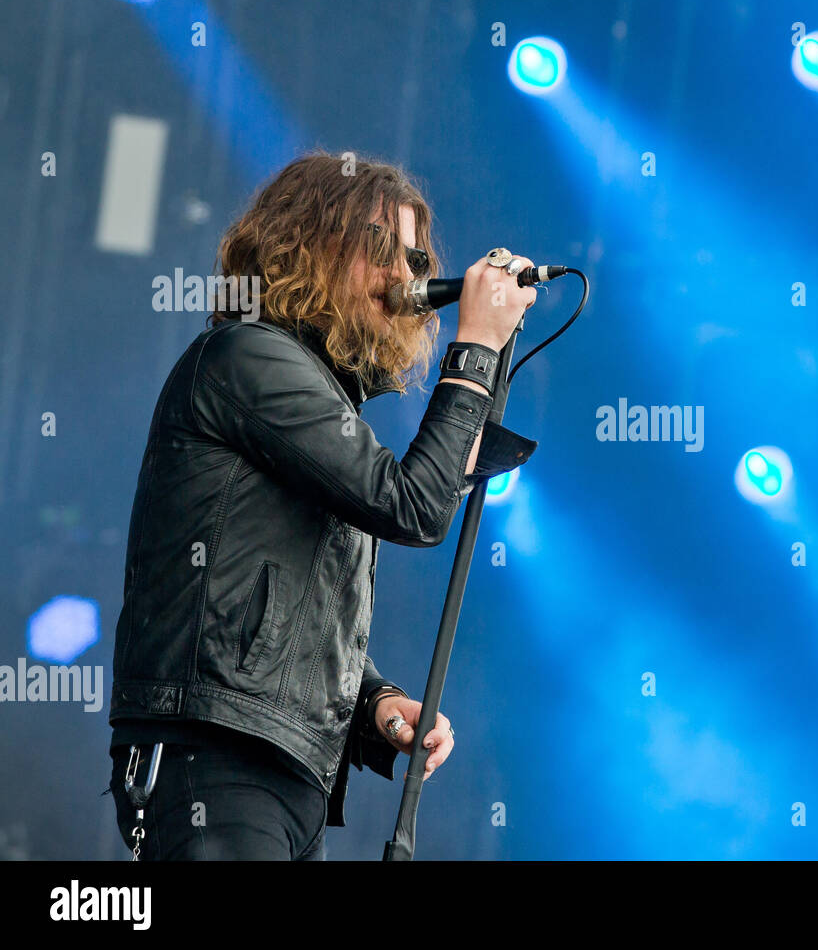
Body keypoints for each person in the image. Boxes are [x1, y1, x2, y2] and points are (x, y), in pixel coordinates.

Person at [106, 151, 537, 859]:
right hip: (217, 759)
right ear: (303, 244)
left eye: (413, 257)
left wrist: (375, 707)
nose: (403, 275)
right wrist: (476, 347)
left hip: (290, 769)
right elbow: (413, 507)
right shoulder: (247, 357)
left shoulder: (322, 398)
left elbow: (281, 607)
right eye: (377, 249)